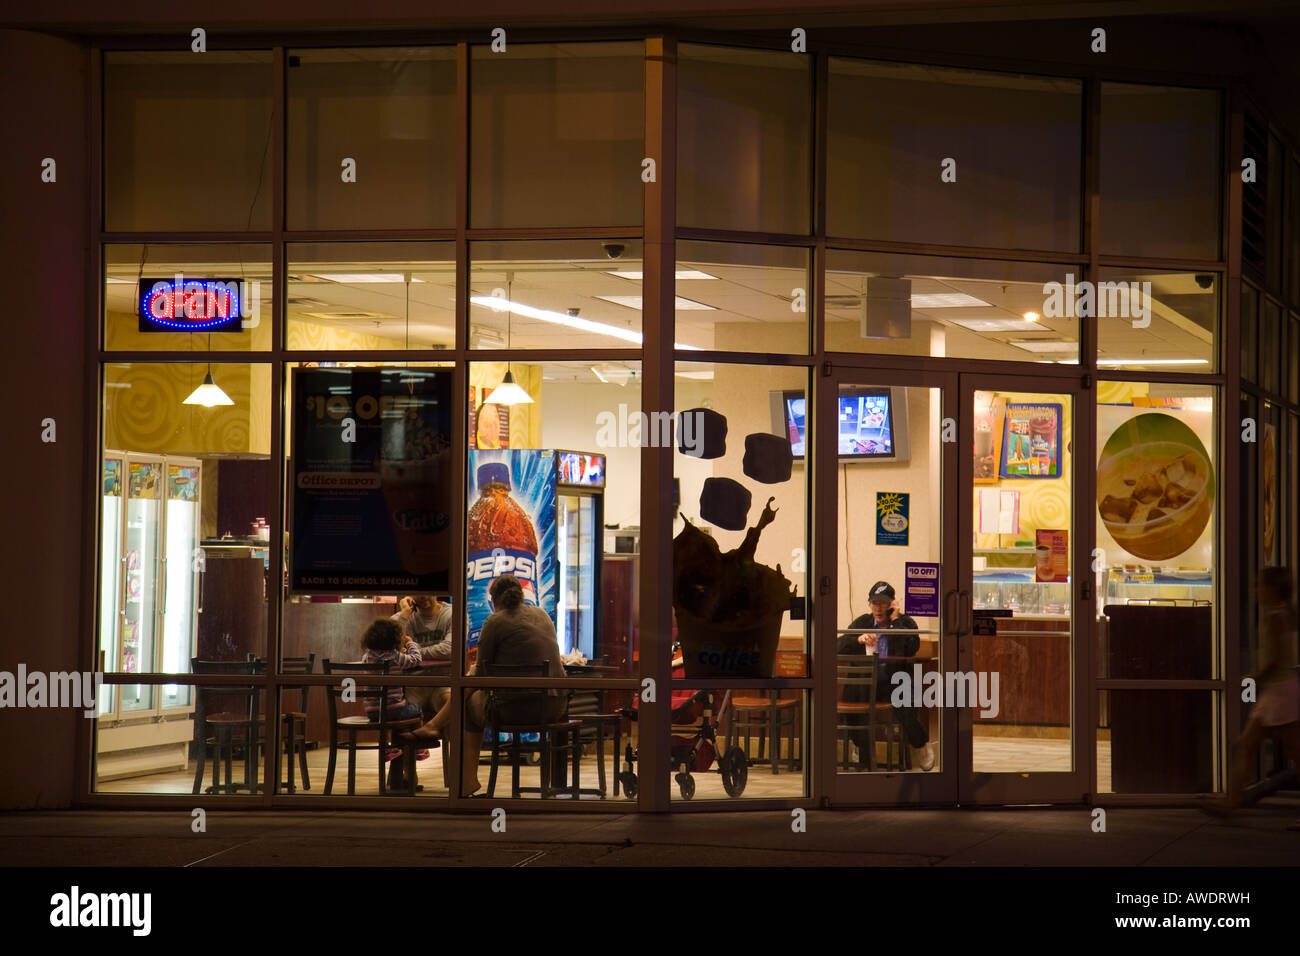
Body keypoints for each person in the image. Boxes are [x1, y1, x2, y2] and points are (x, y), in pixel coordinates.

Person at [407, 574, 564, 797]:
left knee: (468, 705)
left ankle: (466, 782)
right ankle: (435, 725)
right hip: (553, 707)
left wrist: (468, 678)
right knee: (468, 693)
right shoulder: (542, 615)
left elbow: (481, 672)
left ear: (492, 600)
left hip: (514, 709)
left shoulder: (495, 621)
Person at [1208, 566, 1300, 825]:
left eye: (1259, 585)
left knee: (1292, 752)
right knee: (1246, 745)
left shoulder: (1276, 617)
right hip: (1278, 691)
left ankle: (1231, 802)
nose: (1255, 590)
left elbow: (1278, 658)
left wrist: (1253, 678)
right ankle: (1231, 802)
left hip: (1280, 692)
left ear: (1272, 589)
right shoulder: (1281, 614)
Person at [837, 580, 935, 771]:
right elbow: (838, 645)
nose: (878, 608)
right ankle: (860, 747)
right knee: (850, 701)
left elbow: (911, 647)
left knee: (905, 706)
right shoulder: (863, 622)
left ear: (892, 604)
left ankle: (920, 745)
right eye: (875, 603)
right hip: (866, 683)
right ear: (869, 604)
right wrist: (858, 639)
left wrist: (895, 621)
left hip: (894, 680)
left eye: (883, 603)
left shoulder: (905, 623)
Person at [358, 619, 433, 789]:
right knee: (417, 710)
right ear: (395, 640)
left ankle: (387, 748)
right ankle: (417, 748)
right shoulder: (395, 656)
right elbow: (416, 659)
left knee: (389, 723)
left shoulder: (367, 656)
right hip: (395, 709)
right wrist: (411, 643)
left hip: (372, 711)